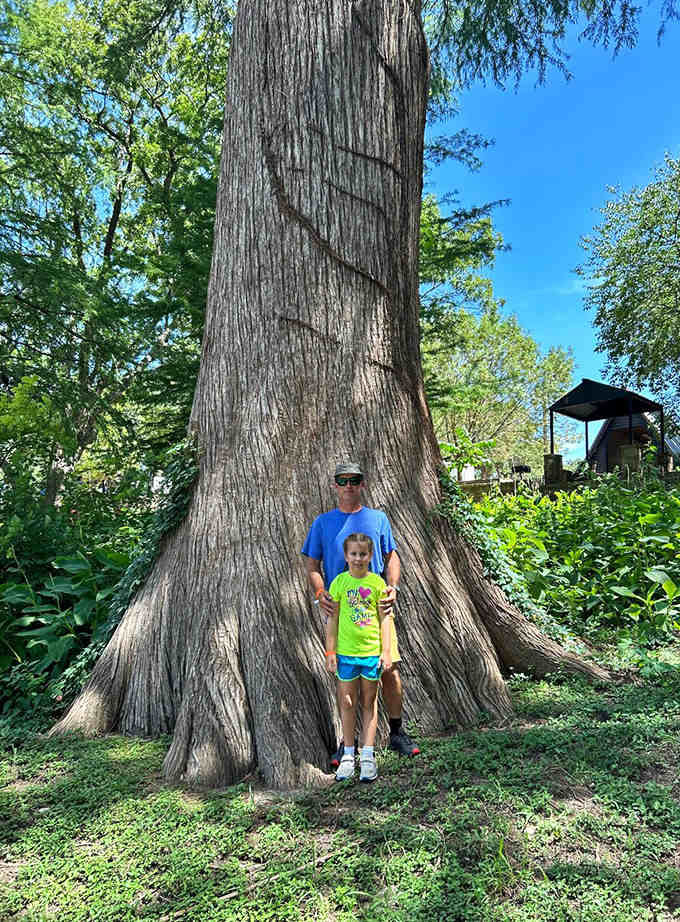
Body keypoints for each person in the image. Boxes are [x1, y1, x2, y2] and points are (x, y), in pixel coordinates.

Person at [302, 461, 419, 765]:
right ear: (335, 485)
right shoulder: (323, 523)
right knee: (346, 677)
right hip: (341, 611)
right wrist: (320, 593)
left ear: (362, 484)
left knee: (389, 668)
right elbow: (312, 565)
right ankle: (348, 744)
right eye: (343, 481)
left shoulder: (377, 519)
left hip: (376, 608)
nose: (349, 486)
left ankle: (396, 732)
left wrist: (392, 587)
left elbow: (392, 556)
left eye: (354, 480)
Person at [326, 533, 392, 782]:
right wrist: (330, 651)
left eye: (363, 554)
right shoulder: (339, 583)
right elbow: (332, 620)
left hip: (370, 653)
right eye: (353, 554)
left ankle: (367, 755)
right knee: (347, 702)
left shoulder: (377, 584)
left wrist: (386, 651)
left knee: (369, 701)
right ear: (346, 556)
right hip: (346, 654)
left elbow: (385, 619)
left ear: (370, 555)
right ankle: (347, 754)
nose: (358, 558)